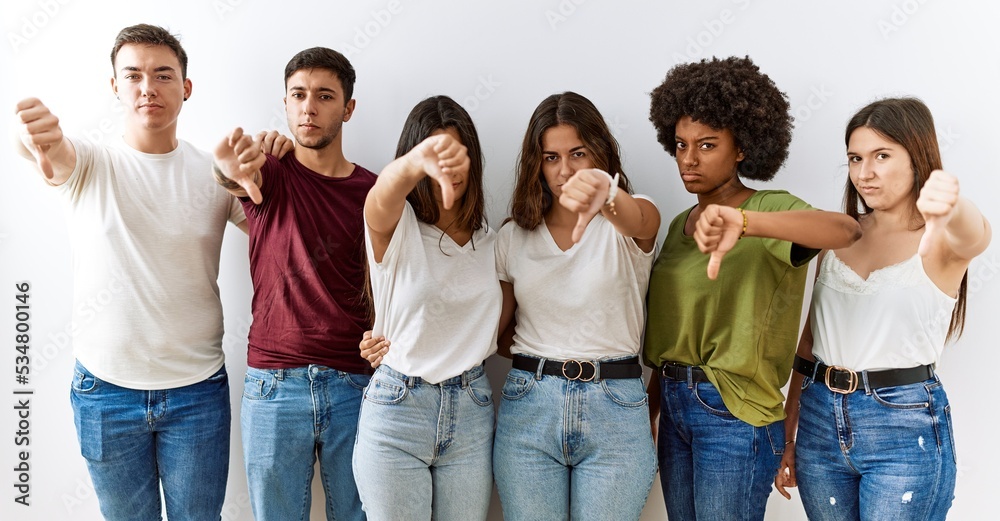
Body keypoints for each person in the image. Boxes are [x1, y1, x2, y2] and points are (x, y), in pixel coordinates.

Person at [13, 24, 246, 520]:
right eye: (133, 75)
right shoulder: (92, 164)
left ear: (186, 87)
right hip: (105, 395)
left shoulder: (215, 175)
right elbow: (49, 155)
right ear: (114, 86)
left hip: (197, 394)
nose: (148, 88)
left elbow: (282, 229)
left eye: (163, 75)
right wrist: (32, 136)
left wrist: (273, 167)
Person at [643, 56, 862, 521]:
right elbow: (670, 334)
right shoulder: (682, 224)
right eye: (680, 145)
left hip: (733, 411)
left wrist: (746, 222)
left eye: (706, 145)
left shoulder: (772, 208)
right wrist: (650, 408)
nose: (689, 158)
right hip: (676, 406)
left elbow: (844, 231)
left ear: (741, 147)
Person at [774, 97, 991, 520]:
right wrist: (789, 426)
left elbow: (977, 237)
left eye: (882, 156)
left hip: (903, 425)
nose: (864, 172)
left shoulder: (941, 240)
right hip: (820, 421)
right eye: (855, 158)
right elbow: (810, 341)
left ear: (918, 159)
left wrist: (952, 205)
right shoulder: (838, 236)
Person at [211, 47, 375, 520]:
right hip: (273, 386)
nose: (309, 107)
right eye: (298, 95)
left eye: (325, 96)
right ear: (284, 103)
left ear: (348, 108)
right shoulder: (272, 172)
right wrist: (228, 163)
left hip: (356, 384)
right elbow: (234, 176)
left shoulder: (373, 192)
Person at [487, 91, 661, 520]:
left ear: (600, 153)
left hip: (616, 406)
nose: (565, 170)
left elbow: (636, 218)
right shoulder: (512, 237)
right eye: (550, 157)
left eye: (578, 154)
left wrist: (606, 194)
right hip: (531, 403)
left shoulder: (633, 220)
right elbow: (494, 333)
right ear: (536, 163)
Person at [352, 95, 499, 520]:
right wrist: (418, 160)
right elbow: (384, 190)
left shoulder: (493, 241)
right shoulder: (395, 226)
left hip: (471, 408)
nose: (443, 169)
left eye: (453, 155)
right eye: (432, 155)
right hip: (399, 407)